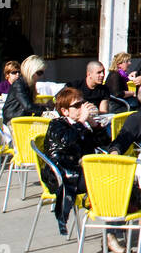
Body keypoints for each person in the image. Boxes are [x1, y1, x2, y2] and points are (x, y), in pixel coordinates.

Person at [39, 86, 111, 237]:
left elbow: (105, 142)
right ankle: (112, 232)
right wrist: (83, 120)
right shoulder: (56, 124)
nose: (82, 108)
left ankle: (120, 223)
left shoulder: (81, 126)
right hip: (62, 176)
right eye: (77, 106)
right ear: (65, 111)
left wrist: (93, 124)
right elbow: (67, 141)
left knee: (122, 177)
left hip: (81, 172)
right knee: (109, 181)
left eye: (83, 103)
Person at [2, 54, 47, 124]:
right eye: (39, 73)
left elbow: (29, 106)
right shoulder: (19, 84)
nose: (41, 76)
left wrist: (43, 106)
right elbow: (28, 106)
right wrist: (45, 108)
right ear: (31, 71)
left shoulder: (28, 84)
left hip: (22, 120)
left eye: (42, 73)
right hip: (13, 122)